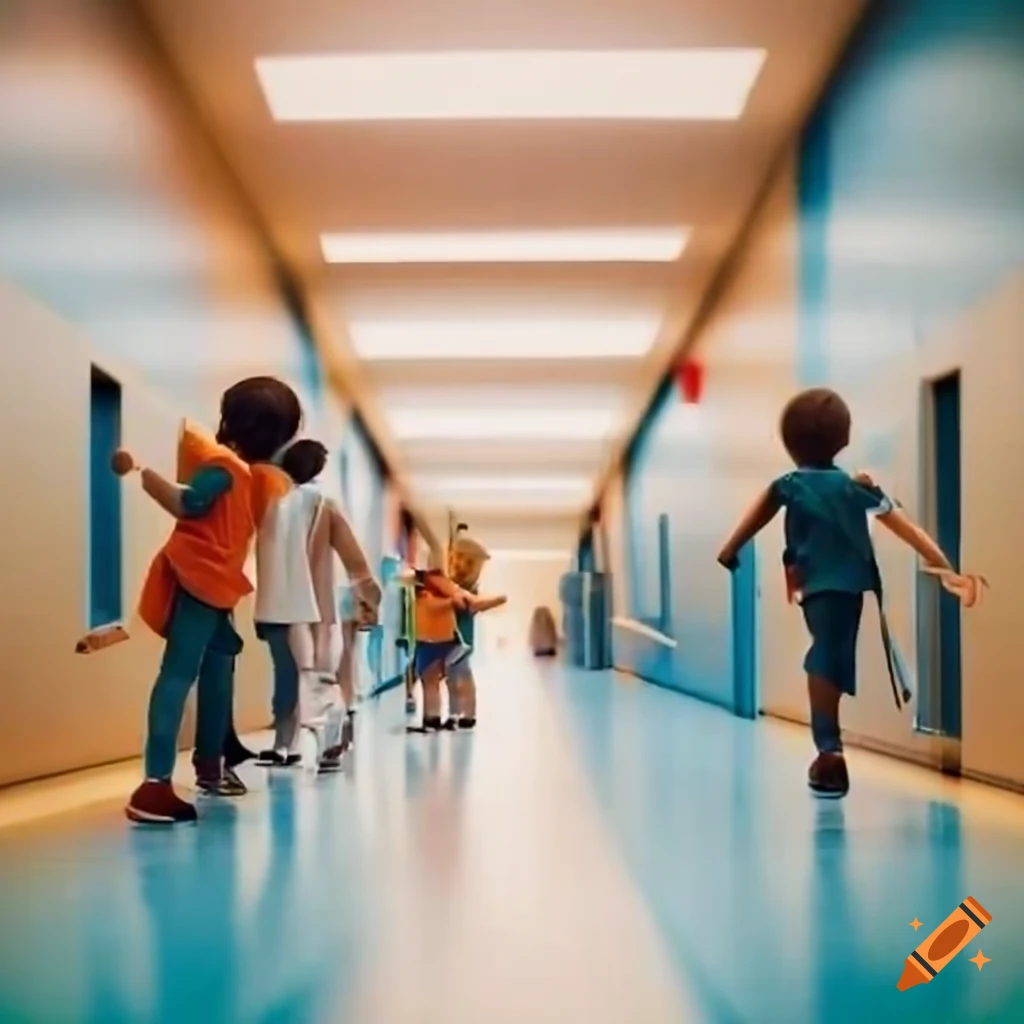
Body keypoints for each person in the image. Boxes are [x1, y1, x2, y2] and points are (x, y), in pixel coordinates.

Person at [716, 387, 956, 798]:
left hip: (818, 588)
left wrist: (730, 549)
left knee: (829, 655)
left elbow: (755, 514)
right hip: (849, 589)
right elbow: (905, 527)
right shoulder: (852, 487)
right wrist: (943, 562)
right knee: (831, 653)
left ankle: (829, 751)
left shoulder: (791, 484)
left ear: (789, 442)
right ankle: (829, 749)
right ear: (843, 438)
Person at [119, 376, 303, 824]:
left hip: (217, 586)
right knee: (179, 673)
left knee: (219, 675)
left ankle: (210, 767)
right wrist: (145, 475)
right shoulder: (222, 467)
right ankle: (154, 787)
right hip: (197, 582)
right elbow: (187, 504)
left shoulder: (245, 476)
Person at [253, 439, 381, 772]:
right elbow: (356, 563)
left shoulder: (266, 501)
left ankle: (284, 745)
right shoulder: (325, 504)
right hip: (313, 608)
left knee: (285, 677)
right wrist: (371, 600)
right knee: (318, 676)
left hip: (272, 605)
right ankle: (329, 741)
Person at [445, 532, 507, 729]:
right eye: (458, 559)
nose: (460, 566)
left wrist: (497, 600)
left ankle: (468, 714)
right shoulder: (451, 586)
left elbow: (472, 606)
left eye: (468, 562)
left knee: (462, 677)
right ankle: (454, 713)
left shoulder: (467, 591)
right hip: (447, 639)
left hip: (462, 641)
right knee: (451, 679)